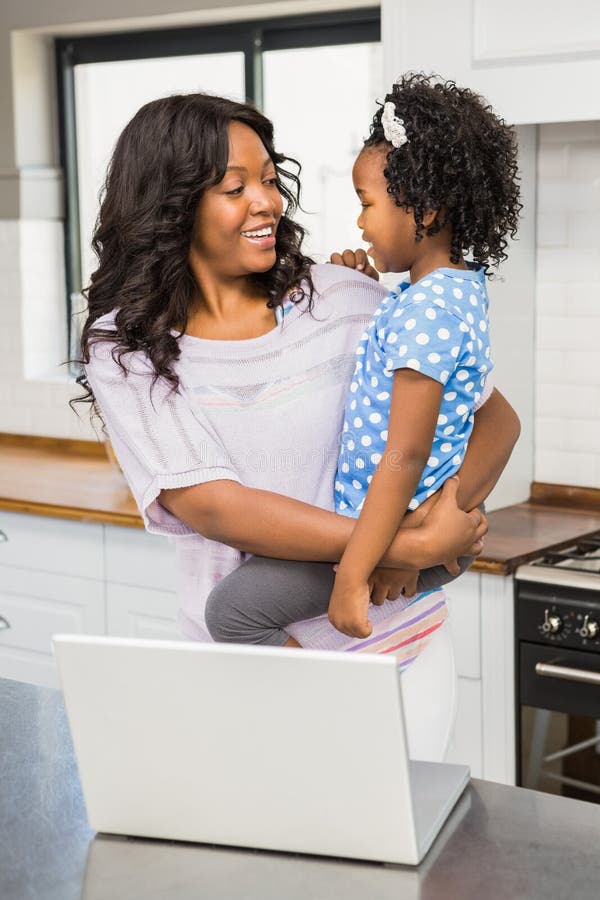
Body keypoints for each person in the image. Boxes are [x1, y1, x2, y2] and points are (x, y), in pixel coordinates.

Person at [79, 92, 519, 760]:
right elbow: (214, 505)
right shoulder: (126, 349)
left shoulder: (346, 296)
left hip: (400, 652)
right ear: (172, 205)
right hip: (250, 668)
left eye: (268, 179)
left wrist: (446, 514)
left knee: (397, 860)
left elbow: (489, 419)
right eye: (236, 187)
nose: (269, 202)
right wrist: (402, 544)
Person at [204, 73, 521, 651]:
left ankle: (328, 721)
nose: (359, 222)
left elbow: (405, 454)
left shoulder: (426, 315)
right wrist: (357, 294)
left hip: (388, 532)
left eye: (366, 203)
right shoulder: (445, 297)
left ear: (423, 210)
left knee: (232, 612)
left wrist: (357, 568)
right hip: (406, 531)